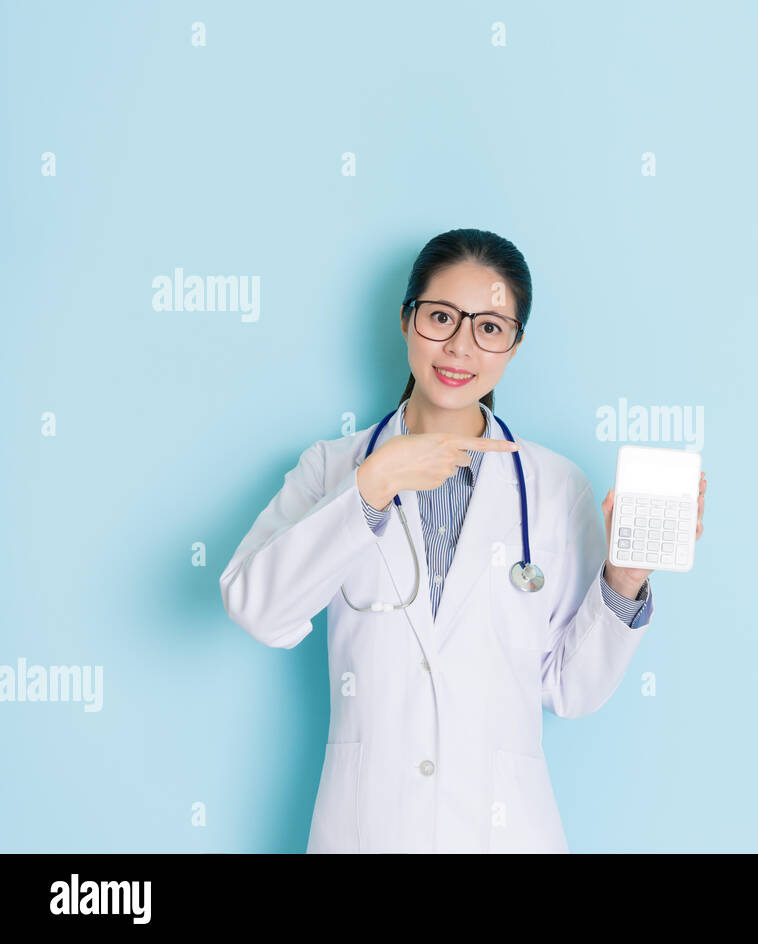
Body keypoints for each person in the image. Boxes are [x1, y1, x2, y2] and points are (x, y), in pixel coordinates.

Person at [219, 228, 705, 852]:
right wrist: (372, 488)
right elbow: (259, 610)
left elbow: (571, 690)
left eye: (491, 327)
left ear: (515, 344)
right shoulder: (332, 468)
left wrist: (626, 578)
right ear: (405, 320)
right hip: (369, 829)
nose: (459, 346)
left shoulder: (556, 488)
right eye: (441, 317)